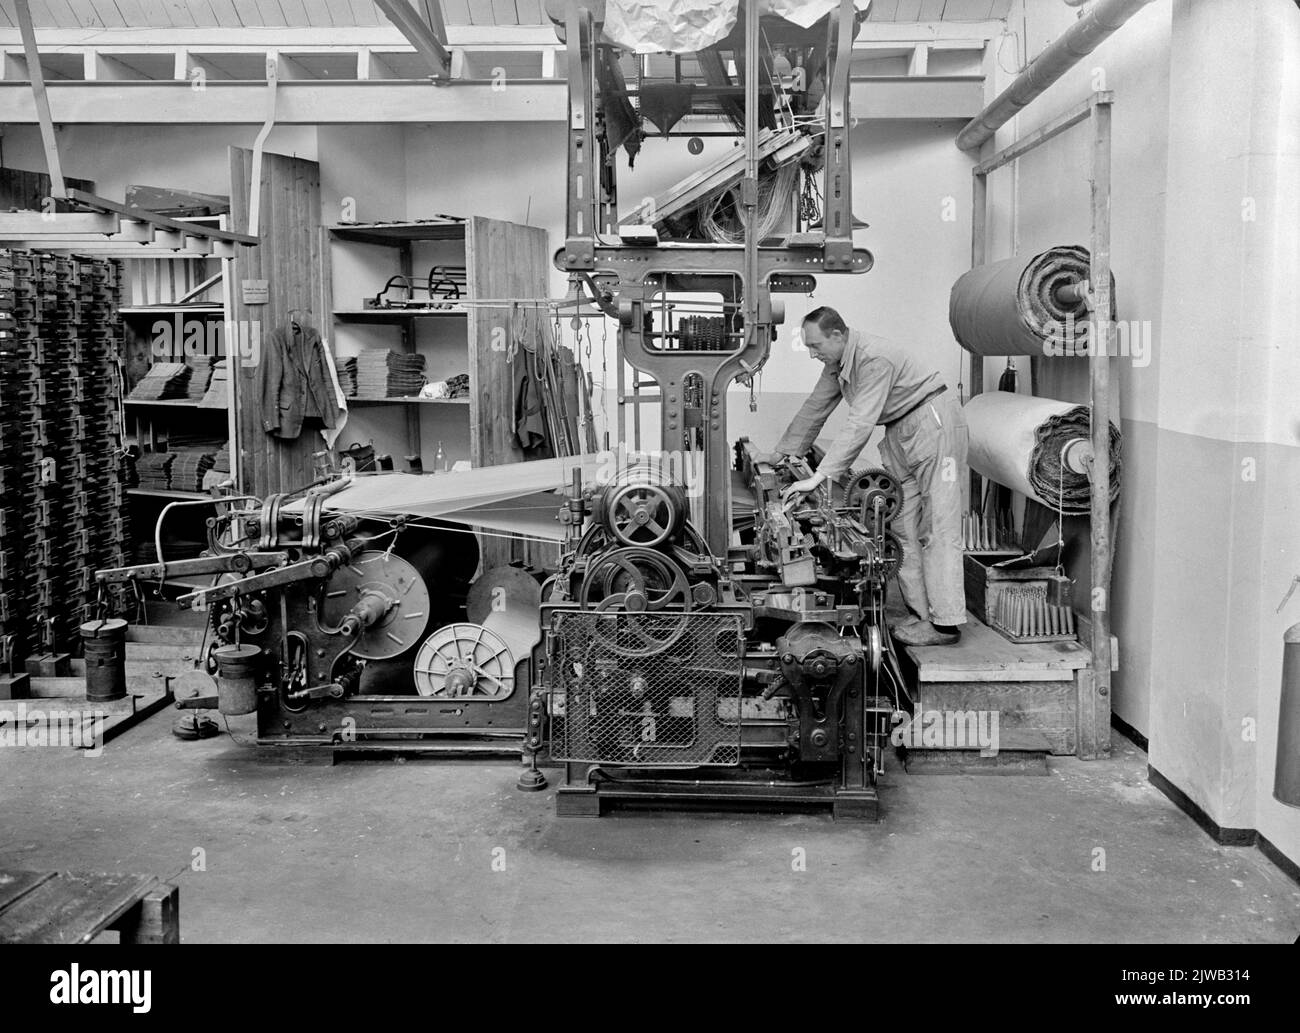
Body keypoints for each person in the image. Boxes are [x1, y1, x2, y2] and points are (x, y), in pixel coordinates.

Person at [772, 306, 969, 646]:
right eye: (808, 347)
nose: (812, 354)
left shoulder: (874, 358)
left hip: (931, 424)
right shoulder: (838, 363)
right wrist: (780, 454)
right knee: (902, 527)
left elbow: (860, 422)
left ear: (838, 335)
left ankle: (946, 624)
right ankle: (924, 615)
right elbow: (815, 407)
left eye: (815, 346)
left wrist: (820, 476)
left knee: (938, 526)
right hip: (900, 432)